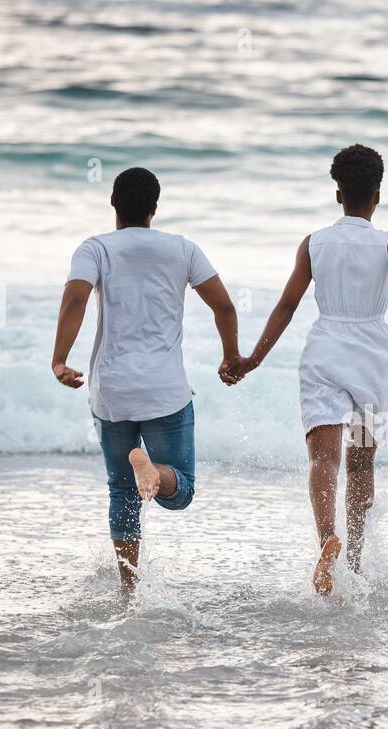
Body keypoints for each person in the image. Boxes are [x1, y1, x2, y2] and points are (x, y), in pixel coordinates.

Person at [220, 144, 388, 595]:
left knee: (323, 457)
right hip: (373, 357)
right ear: (377, 196)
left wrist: (252, 360)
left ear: (338, 195)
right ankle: (352, 558)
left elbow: (287, 305)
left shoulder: (314, 242)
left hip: (324, 352)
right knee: (360, 464)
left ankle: (326, 539)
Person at [52, 167, 239, 592]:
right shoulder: (183, 249)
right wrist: (230, 357)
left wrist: (60, 360)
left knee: (121, 490)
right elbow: (224, 306)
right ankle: (154, 469)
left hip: (111, 391)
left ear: (113, 205)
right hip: (165, 391)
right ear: (155, 208)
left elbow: (76, 298)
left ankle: (129, 588)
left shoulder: (94, 248)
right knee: (181, 490)